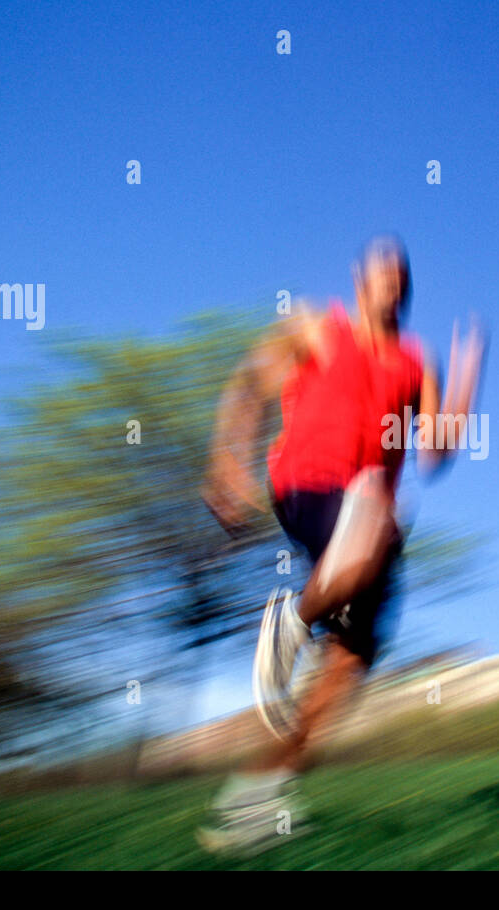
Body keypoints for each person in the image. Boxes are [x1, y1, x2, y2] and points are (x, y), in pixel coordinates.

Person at [196, 235, 483, 853]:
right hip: (307, 485)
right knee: (378, 519)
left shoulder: (416, 361)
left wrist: (464, 381)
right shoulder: (317, 325)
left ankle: (258, 796)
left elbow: (436, 450)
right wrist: (226, 459)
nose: (393, 278)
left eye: (402, 271)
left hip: (365, 520)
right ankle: (291, 622)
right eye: (382, 268)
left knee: (352, 663)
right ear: (359, 278)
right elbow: (248, 384)